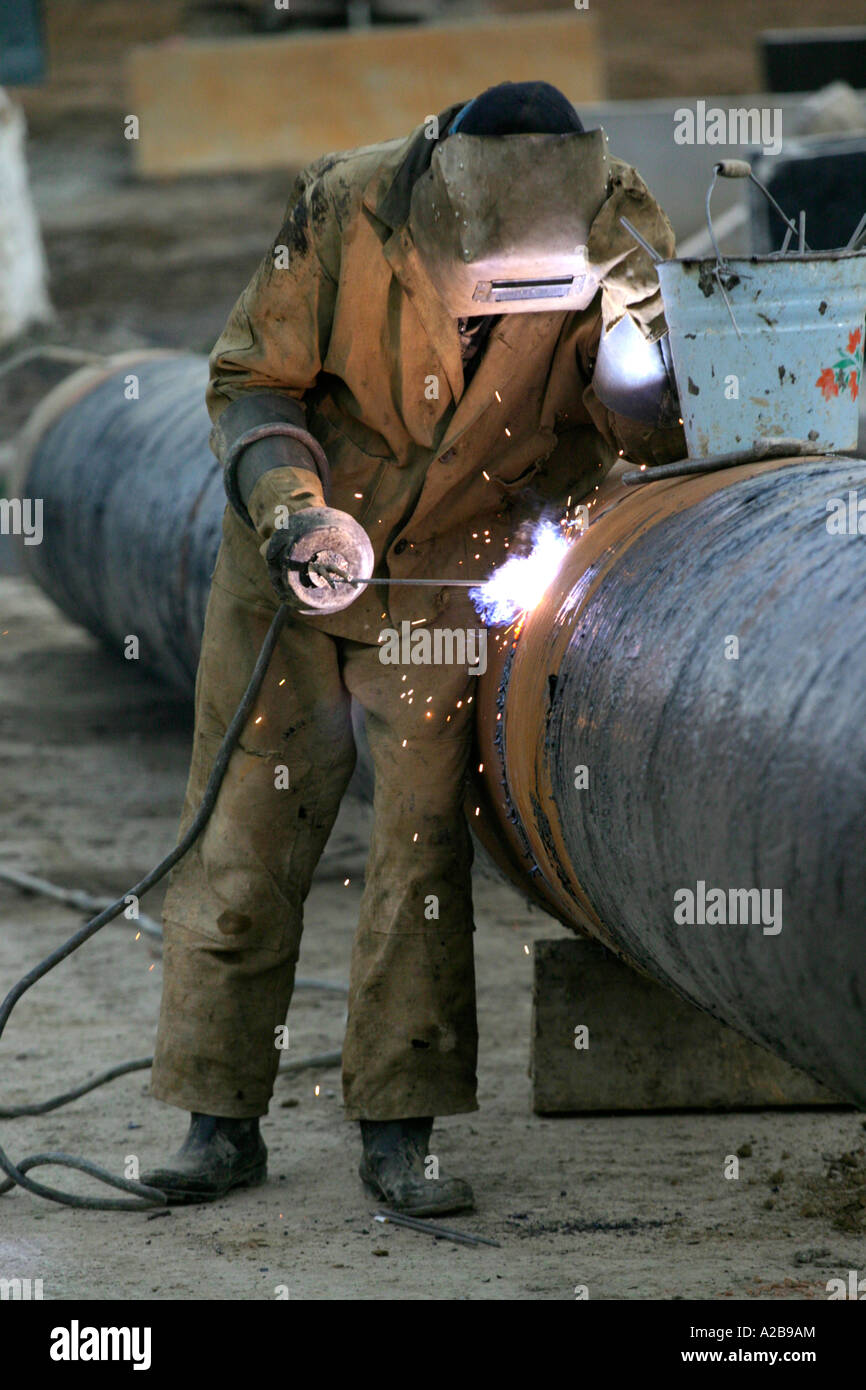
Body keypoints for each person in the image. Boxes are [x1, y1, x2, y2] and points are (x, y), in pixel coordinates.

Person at [143, 81, 685, 1212]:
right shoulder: (344, 207)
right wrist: (294, 511)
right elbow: (249, 382)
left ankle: (399, 1126)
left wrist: (640, 349)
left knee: (419, 850)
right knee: (242, 834)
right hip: (295, 555)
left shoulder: (611, 221)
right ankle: (217, 1114)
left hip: (455, 564)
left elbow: (648, 431)